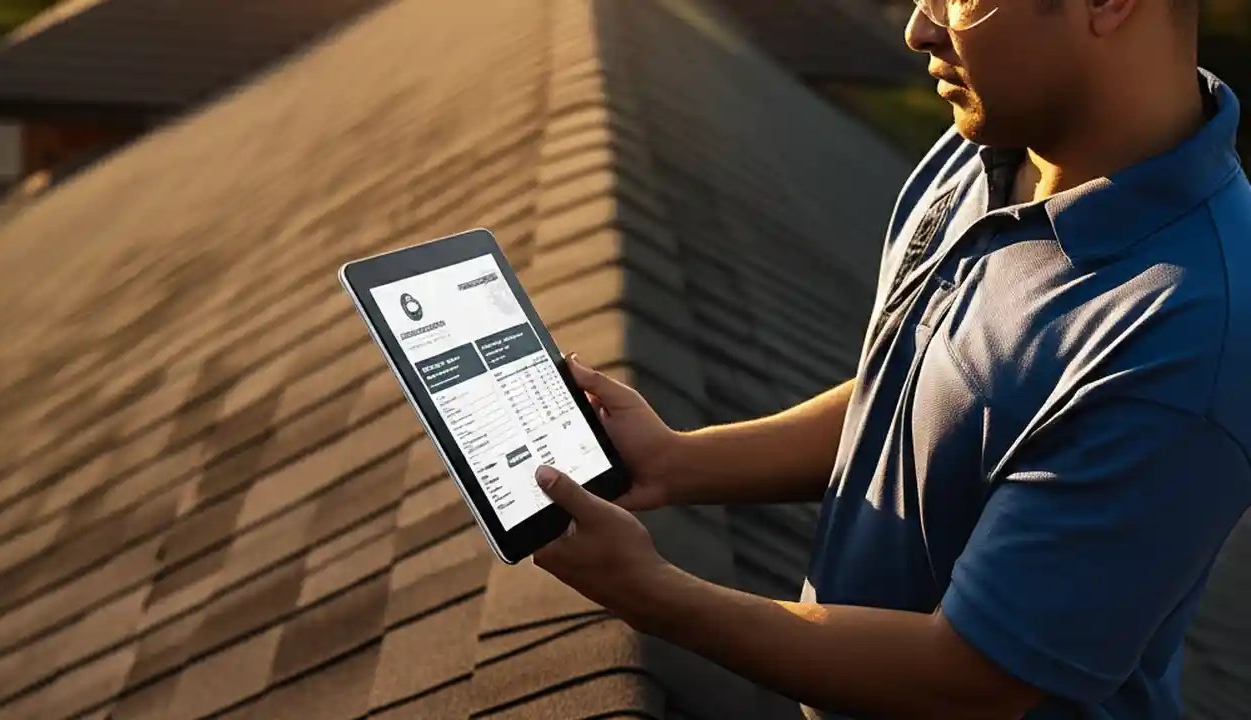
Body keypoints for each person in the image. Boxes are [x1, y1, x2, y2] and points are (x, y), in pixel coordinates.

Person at [529, 0, 1251, 716]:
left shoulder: (1191, 332)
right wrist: (675, 461)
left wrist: (653, 595)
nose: (918, 29)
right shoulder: (990, 143)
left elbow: (968, 682)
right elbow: (922, 388)